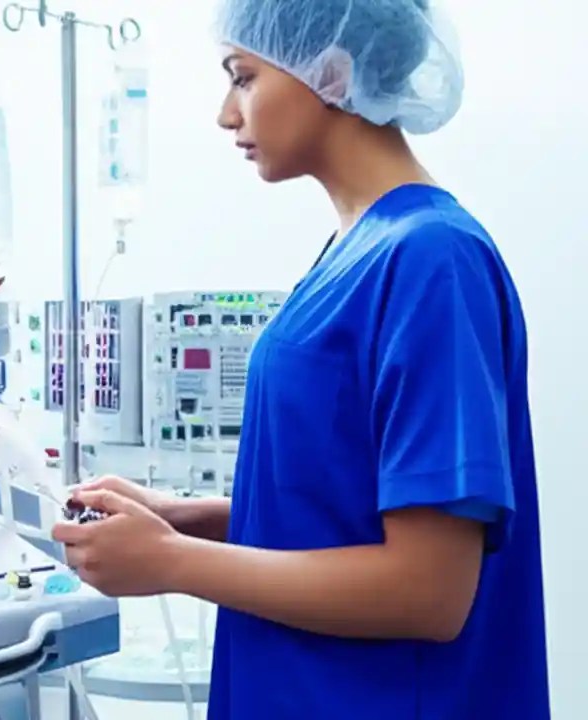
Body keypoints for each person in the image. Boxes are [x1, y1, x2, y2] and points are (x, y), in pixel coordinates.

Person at [51, 1, 551, 718]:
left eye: (243, 77)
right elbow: (343, 511)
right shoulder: (359, 249)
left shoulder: (431, 260)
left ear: (333, 73)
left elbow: (428, 590)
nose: (226, 114)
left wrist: (173, 563)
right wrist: (185, 518)